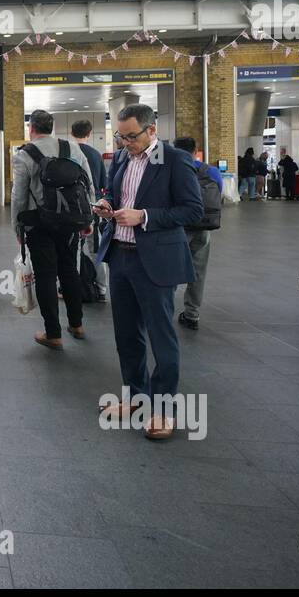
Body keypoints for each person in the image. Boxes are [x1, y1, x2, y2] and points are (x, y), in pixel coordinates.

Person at [94, 104, 204, 440]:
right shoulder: (124, 158)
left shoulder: (174, 160)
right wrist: (107, 205)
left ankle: (163, 409)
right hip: (120, 255)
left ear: (152, 130)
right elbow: (116, 193)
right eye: (121, 136)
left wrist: (144, 216)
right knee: (126, 335)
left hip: (154, 260)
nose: (126, 142)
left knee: (161, 336)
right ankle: (135, 397)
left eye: (132, 136)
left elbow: (192, 209)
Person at [13, 109, 94, 349]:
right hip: (70, 222)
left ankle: (53, 333)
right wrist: (87, 219)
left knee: (46, 276)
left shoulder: (25, 155)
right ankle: (77, 324)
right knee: (69, 270)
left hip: (39, 223)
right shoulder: (72, 149)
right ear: (52, 126)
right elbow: (87, 183)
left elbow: (18, 196)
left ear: (31, 128)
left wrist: (17, 228)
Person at [172, 137, 222, 331]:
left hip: (179, 227)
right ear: (196, 150)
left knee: (171, 270)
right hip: (204, 227)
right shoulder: (211, 171)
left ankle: (165, 309)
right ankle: (192, 314)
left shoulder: (174, 169)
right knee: (198, 271)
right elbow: (219, 193)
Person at [72, 119, 109, 301]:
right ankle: (101, 288)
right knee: (95, 249)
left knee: (72, 248)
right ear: (89, 134)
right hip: (91, 209)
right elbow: (103, 185)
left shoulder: (66, 152)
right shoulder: (95, 155)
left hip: (69, 210)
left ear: (72, 133)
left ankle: (71, 286)